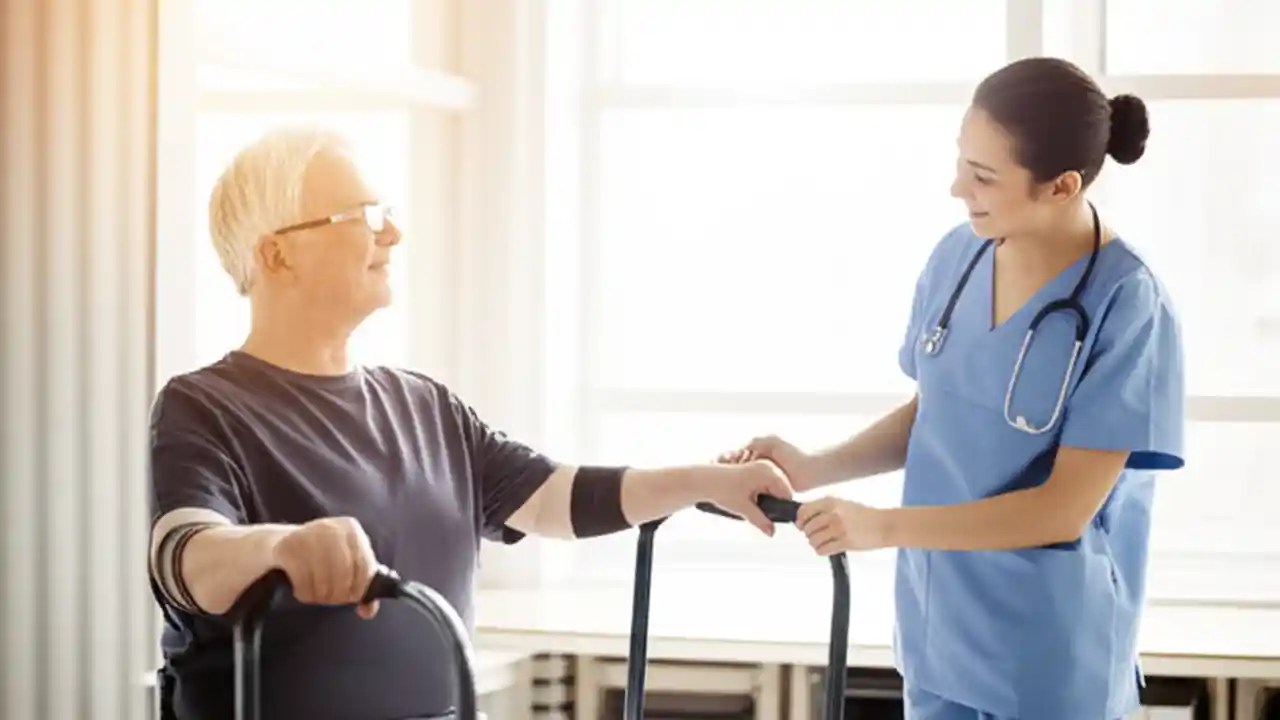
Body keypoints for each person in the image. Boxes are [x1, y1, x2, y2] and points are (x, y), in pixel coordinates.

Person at [147, 128, 794, 720]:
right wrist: (278, 547)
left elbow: (559, 499)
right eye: (365, 218)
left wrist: (702, 482)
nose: (392, 235)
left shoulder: (426, 407)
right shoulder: (204, 408)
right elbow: (187, 557)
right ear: (277, 255)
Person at [722, 57, 1185, 719]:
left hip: (1048, 656)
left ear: (1062, 186)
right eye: (961, 161)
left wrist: (884, 527)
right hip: (939, 632)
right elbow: (937, 413)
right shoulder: (959, 257)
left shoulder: (1129, 304)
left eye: (983, 176)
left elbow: (1063, 508)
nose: (955, 187)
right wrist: (813, 465)